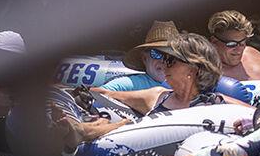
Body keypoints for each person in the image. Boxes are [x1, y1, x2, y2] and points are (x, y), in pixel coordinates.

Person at [96, 33, 250, 116]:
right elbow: (104, 94)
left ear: (192, 69)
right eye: (161, 57)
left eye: (170, 60)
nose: (164, 65)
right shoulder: (156, 96)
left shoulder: (219, 105)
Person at [98, 20, 177, 92]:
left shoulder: (183, 86)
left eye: (170, 55)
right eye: (157, 53)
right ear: (144, 58)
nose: (164, 61)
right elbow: (98, 94)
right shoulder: (132, 83)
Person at [207, 10, 260, 81]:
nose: (239, 50)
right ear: (214, 41)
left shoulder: (250, 53)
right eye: (232, 44)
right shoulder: (207, 72)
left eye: (242, 43)